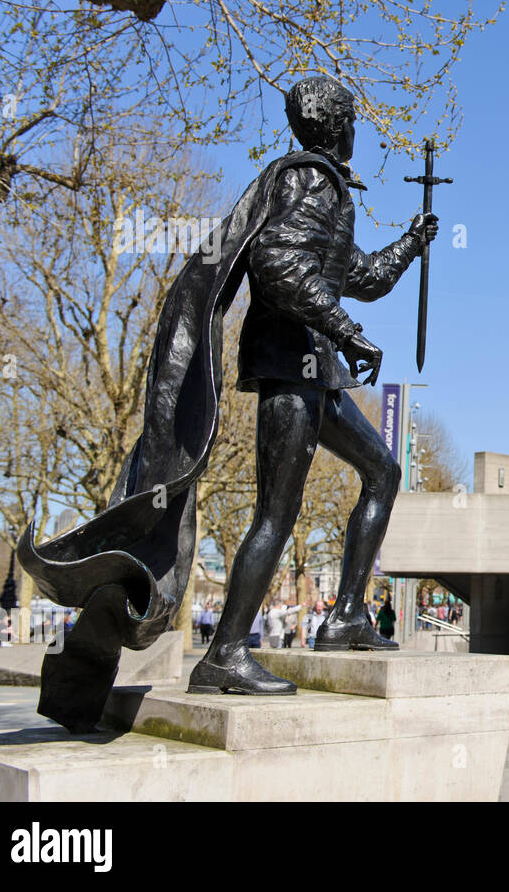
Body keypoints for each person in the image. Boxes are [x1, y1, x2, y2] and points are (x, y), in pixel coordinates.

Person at [187, 76, 428, 694]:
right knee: (277, 512)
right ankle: (225, 653)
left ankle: (346, 616)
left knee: (383, 471)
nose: (356, 133)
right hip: (291, 371)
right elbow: (279, 266)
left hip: (314, 375)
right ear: (339, 125)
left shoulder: (323, 192)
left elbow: (361, 274)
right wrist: (347, 331)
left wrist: (411, 243)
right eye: (353, 122)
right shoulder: (311, 180)